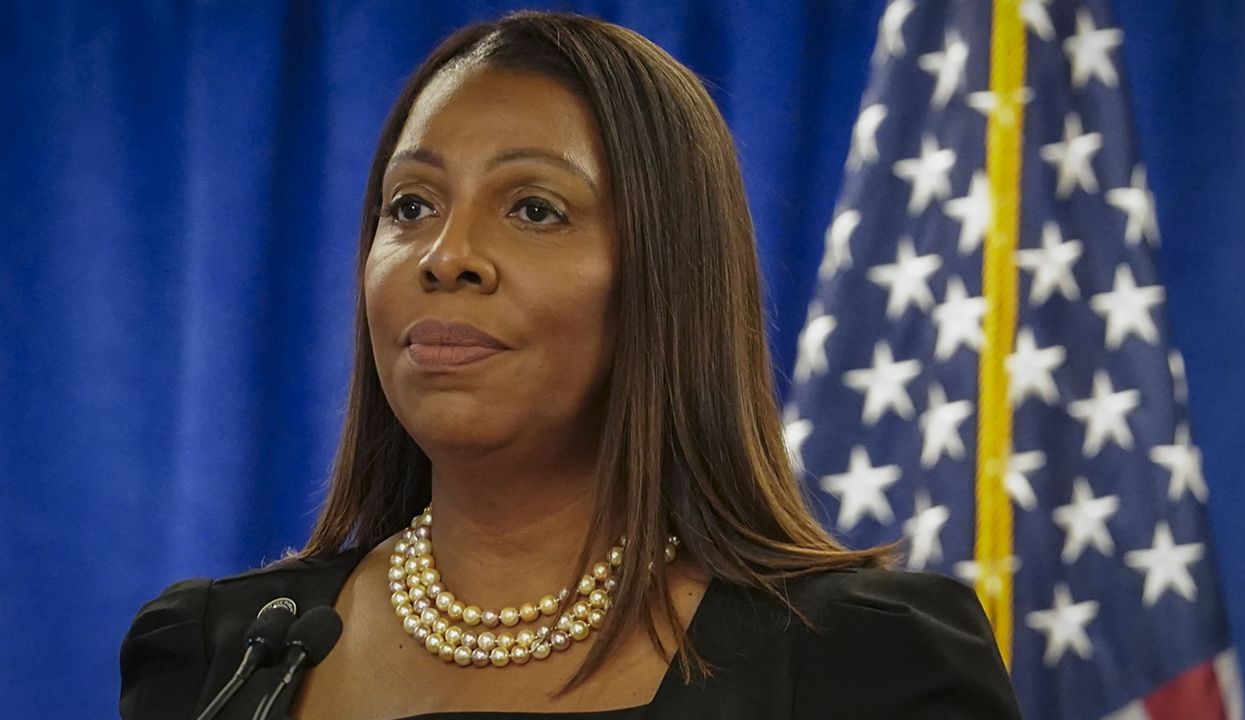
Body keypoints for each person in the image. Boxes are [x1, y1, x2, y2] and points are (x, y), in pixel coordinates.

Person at [119, 10, 1021, 720]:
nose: (445, 254)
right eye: (410, 204)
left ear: (666, 280)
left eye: (535, 209)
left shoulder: (860, 661)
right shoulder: (223, 657)